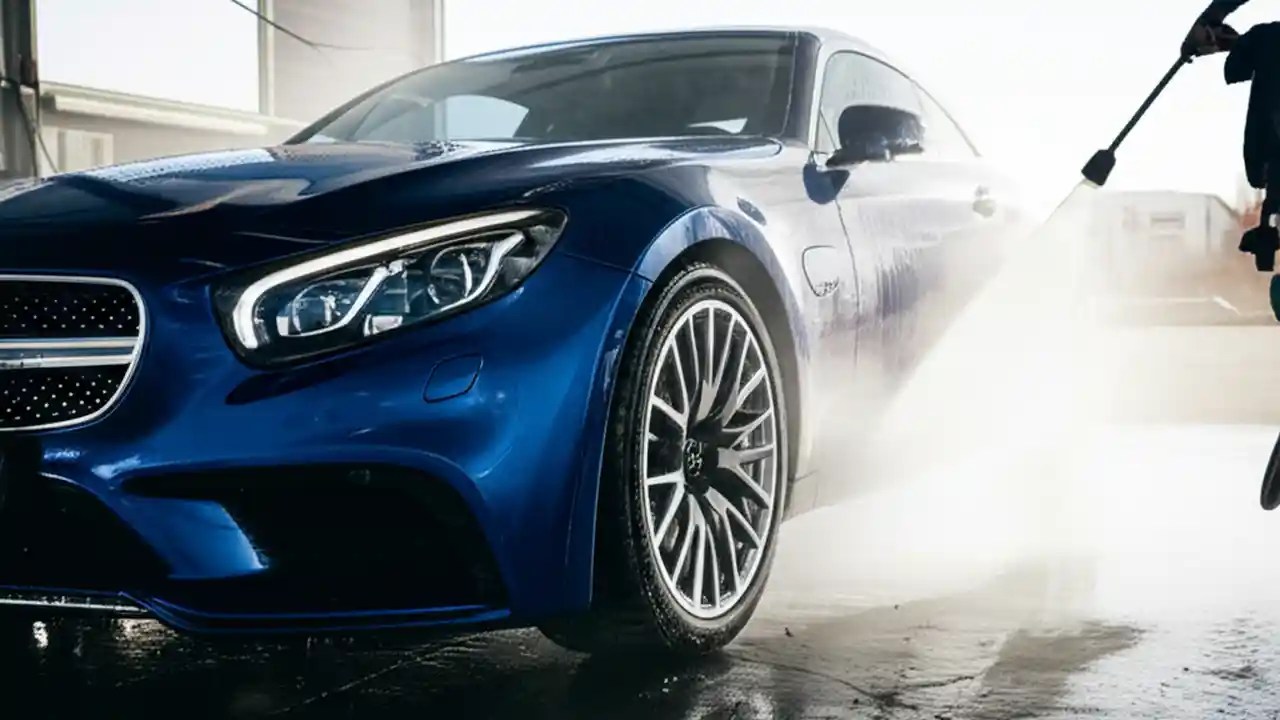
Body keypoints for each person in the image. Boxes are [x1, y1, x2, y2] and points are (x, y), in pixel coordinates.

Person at [1184, 0, 1249, 57]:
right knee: (1237, 43)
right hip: (1214, 29)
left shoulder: (1196, 36)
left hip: (1212, 19)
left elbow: (1203, 24)